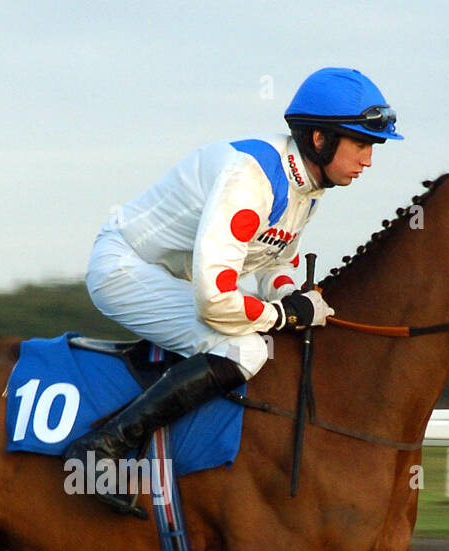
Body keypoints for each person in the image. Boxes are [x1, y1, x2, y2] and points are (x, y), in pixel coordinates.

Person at [63, 67, 403, 514]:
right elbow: (214, 299)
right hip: (126, 269)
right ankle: (101, 447)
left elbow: (273, 261)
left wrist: (288, 295)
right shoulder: (253, 180)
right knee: (246, 350)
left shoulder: (309, 187)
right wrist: (286, 315)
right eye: (361, 144)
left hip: (179, 275)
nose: (368, 160)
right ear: (319, 139)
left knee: (265, 332)